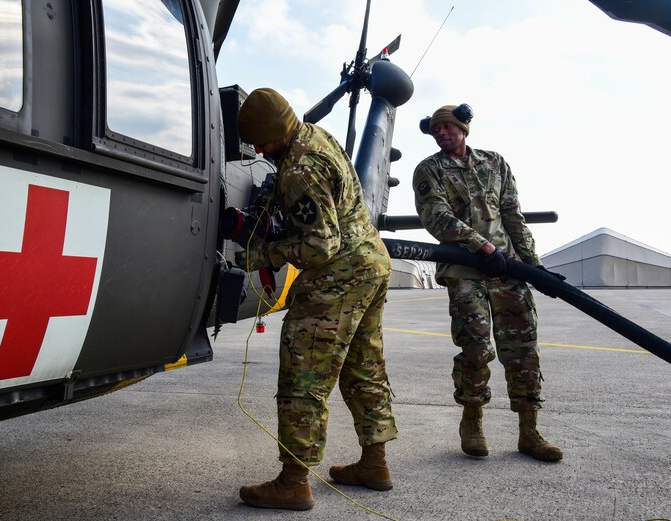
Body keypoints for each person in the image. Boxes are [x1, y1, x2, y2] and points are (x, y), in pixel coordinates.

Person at [232, 88, 398, 510]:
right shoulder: (313, 137)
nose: (259, 150)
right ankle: (374, 464)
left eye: (261, 142)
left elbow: (321, 245)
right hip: (372, 263)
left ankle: (293, 481)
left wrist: (264, 253)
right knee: (363, 366)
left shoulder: (299, 170)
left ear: (274, 133)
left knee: (304, 371)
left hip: (339, 273)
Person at [412, 104, 563, 462]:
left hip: (508, 270)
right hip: (466, 271)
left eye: (447, 127)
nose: (441, 133)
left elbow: (513, 216)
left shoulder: (495, 163)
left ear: (463, 128)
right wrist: (481, 245)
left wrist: (535, 267)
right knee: (476, 350)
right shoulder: (429, 170)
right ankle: (473, 421)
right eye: (436, 130)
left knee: (523, 349)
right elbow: (437, 217)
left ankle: (529, 431)